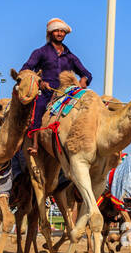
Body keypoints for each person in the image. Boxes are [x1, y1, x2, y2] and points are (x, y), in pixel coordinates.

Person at [21, 18, 93, 153]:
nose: (60, 33)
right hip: (46, 91)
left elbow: (87, 73)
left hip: (67, 92)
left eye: (62, 31)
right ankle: (35, 144)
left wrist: (84, 80)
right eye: (57, 31)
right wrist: (39, 81)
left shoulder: (70, 56)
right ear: (51, 33)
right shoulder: (40, 52)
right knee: (39, 107)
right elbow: (26, 70)